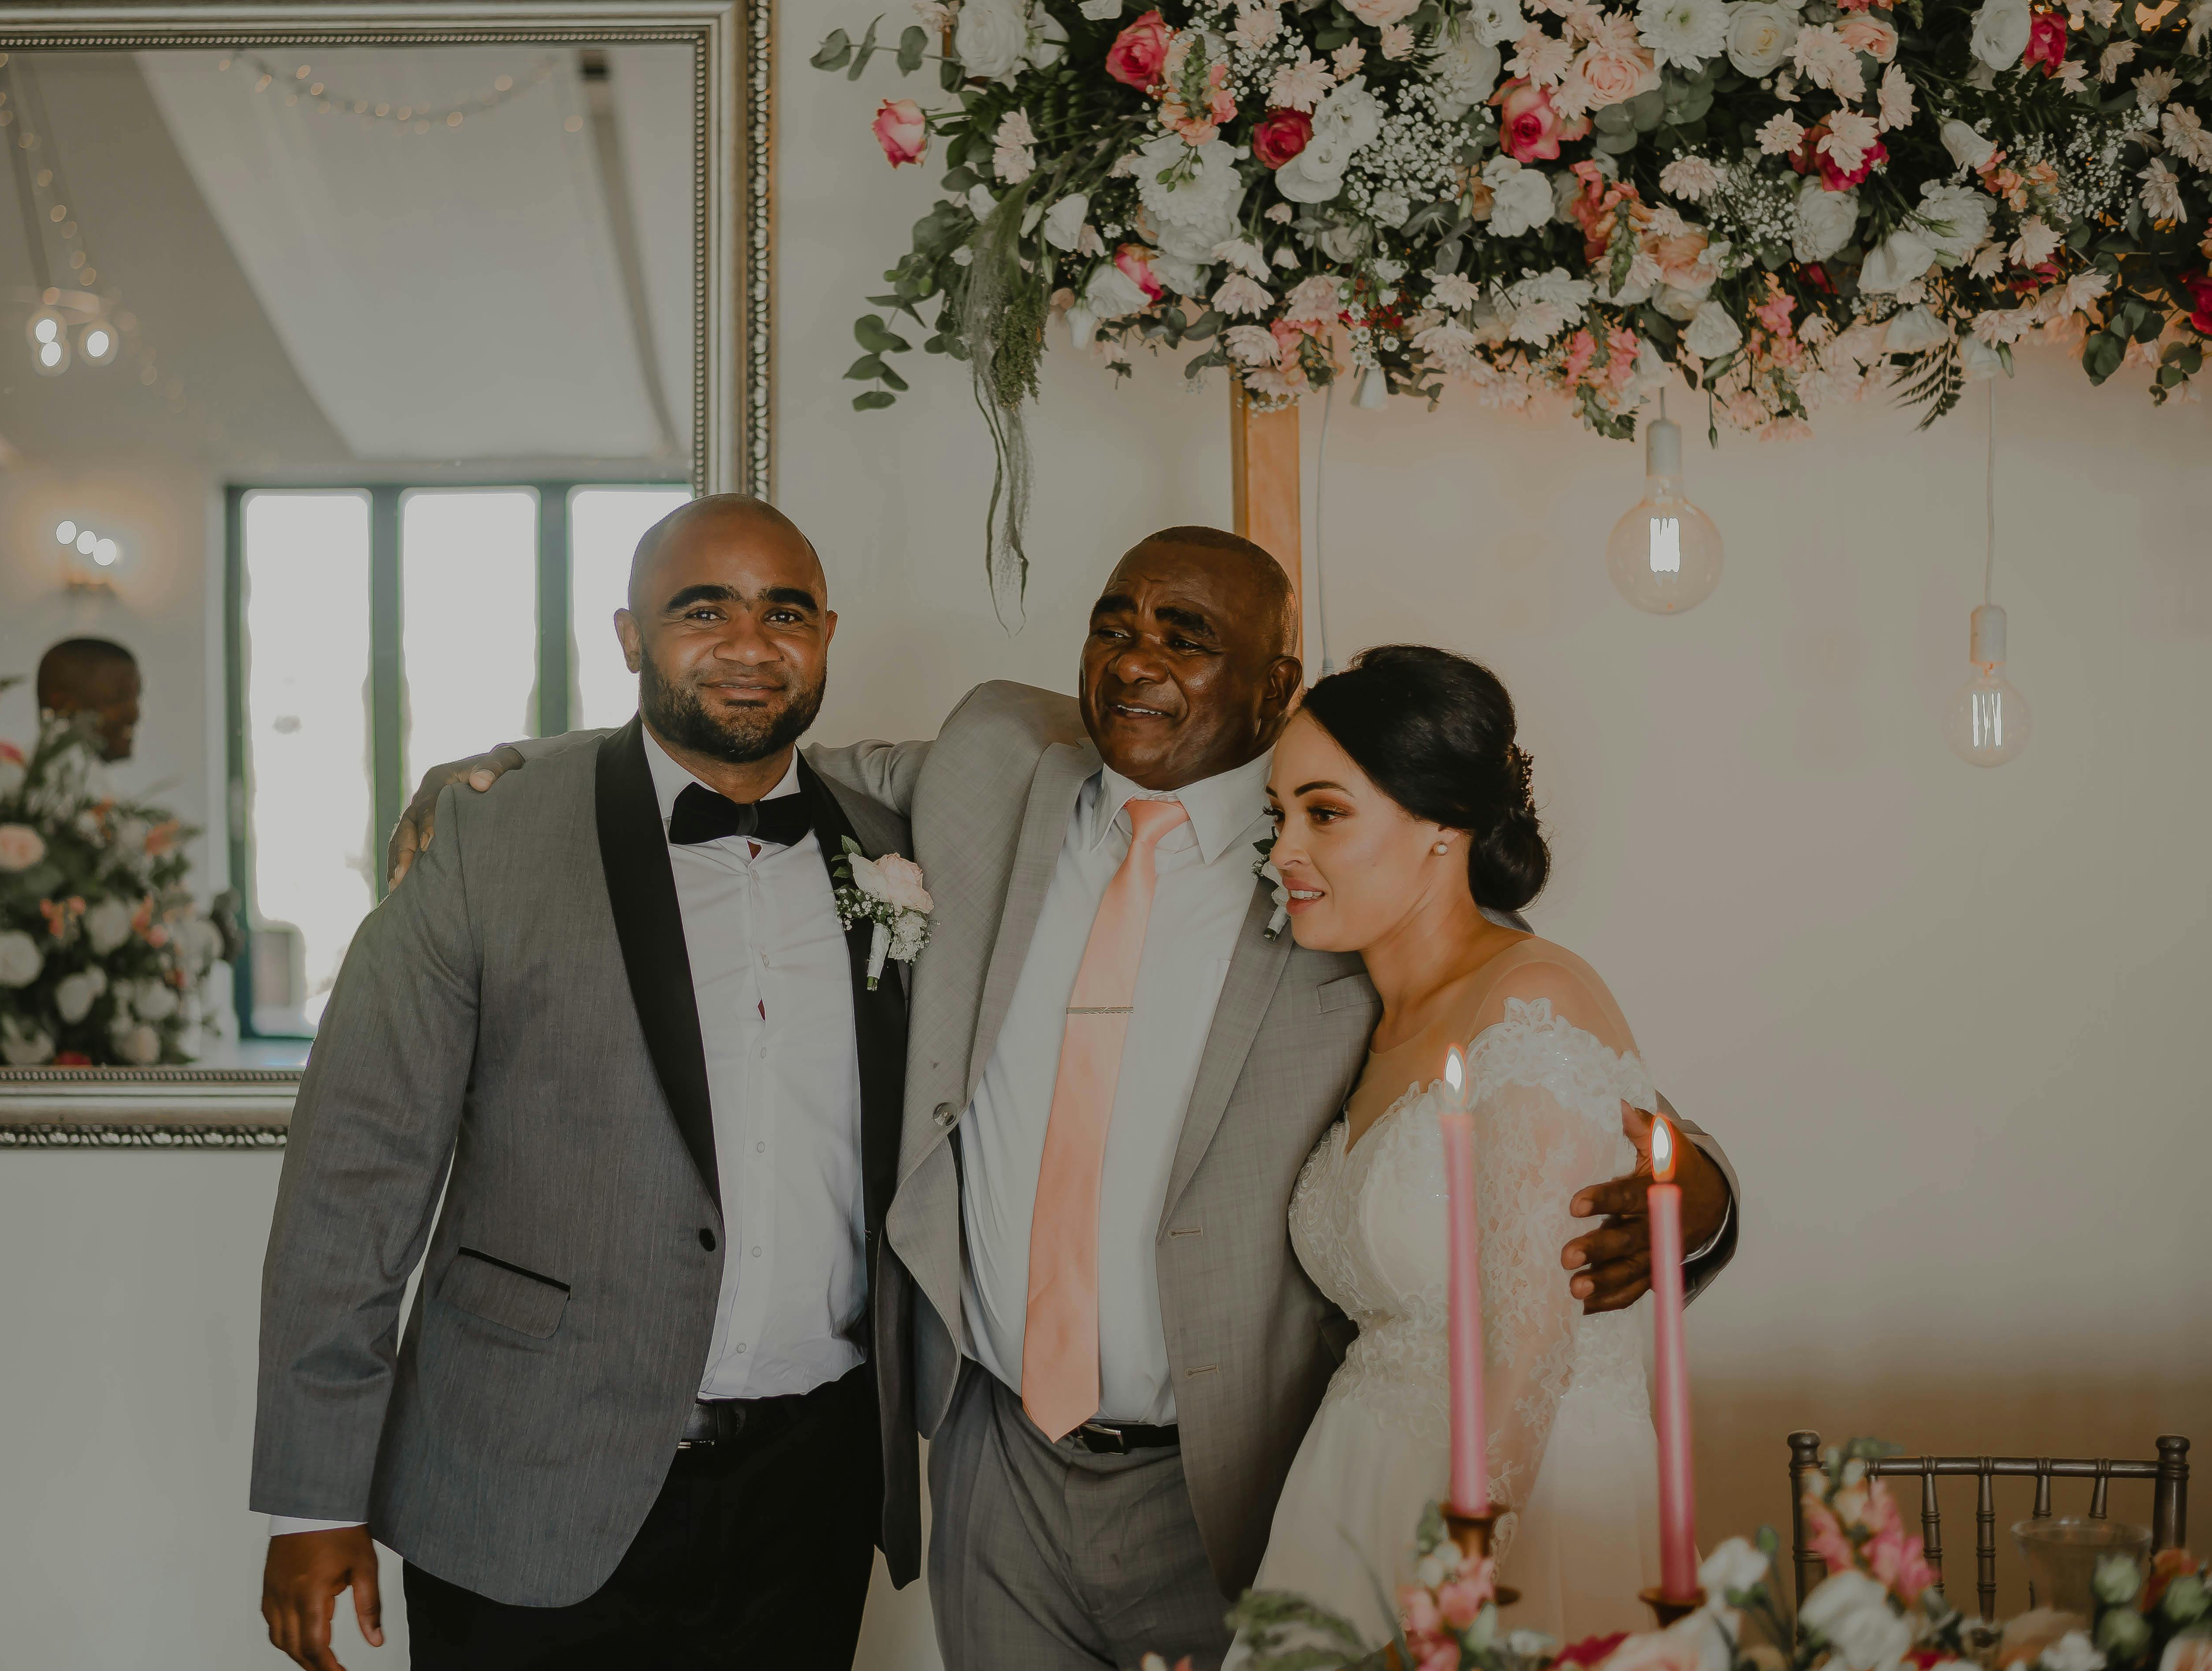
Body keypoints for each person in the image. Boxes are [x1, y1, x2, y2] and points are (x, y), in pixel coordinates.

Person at [401, 526, 1738, 1669]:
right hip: (994, 1454)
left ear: (1276, 682)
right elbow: (763, 764)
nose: (1137, 657)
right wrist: (508, 771)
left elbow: (1529, 1054)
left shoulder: (1339, 871)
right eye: (1115, 622)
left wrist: (1703, 1201)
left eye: (1188, 634)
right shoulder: (999, 761)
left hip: (1226, 1473)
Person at [250, 496, 921, 1671]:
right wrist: (315, 1499)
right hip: (524, 1478)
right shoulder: (487, 833)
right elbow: (356, 1171)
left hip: (808, 1494)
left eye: (784, 612)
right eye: (699, 609)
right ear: (626, 637)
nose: (748, 644)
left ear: (826, 633)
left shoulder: (885, 835)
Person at [1237, 647, 1669, 1657]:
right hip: (1352, 1488)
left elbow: (1529, 1357)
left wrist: (1448, 1593)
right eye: (1277, 816)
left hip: (1523, 1512)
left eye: (1324, 812)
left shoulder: (1537, 1000)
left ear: (1440, 824)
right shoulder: (1361, 1022)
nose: (1281, 850)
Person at [35, 636, 141, 762]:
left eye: (136, 697)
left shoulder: (88, 779)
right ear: (62, 704)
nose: (134, 714)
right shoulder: (14, 775)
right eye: (118, 699)